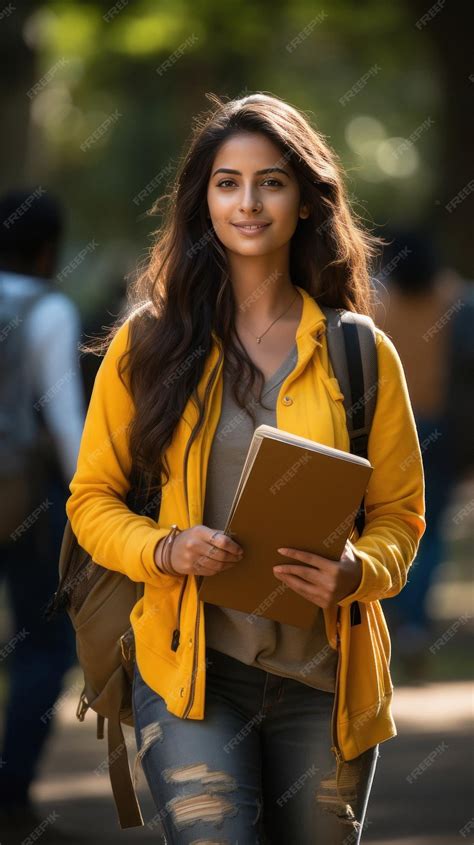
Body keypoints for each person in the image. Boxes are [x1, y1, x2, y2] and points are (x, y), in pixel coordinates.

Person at [66, 93, 426, 844]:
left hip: (326, 681)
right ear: (202, 201)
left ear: (304, 201)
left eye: (271, 181)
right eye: (227, 182)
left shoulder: (360, 352)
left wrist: (357, 571)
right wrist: (163, 548)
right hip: (191, 673)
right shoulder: (147, 346)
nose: (249, 201)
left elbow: (401, 514)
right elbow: (91, 499)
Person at [0, 189, 85, 839]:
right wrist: (93, 499)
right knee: (44, 639)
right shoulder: (46, 308)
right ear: (48, 249)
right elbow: (63, 420)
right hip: (18, 496)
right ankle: (10, 791)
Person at [373, 229, 473, 677]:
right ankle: (414, 622)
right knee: (429, 529)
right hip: (442, 428)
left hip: (387, 428)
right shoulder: (460, 301)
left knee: (384, 518)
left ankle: (391, 610)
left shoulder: (375, 301)